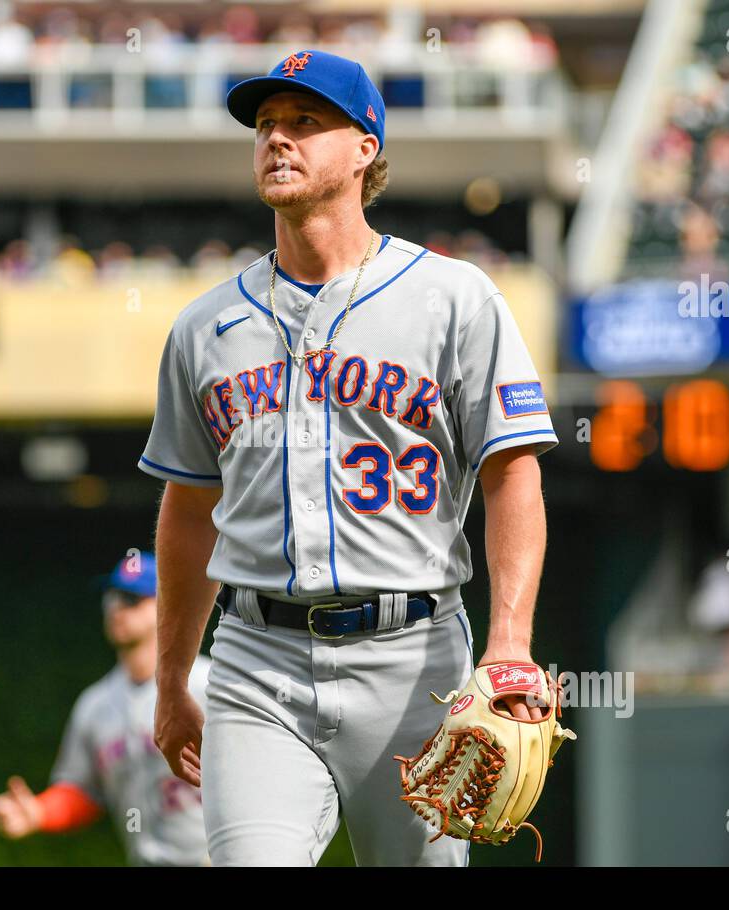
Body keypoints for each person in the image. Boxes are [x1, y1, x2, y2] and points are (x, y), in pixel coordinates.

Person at [138, 50, 559, 866]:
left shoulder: (455, 296)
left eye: (304, 122)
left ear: (365, 148)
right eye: (265, 125)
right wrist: (171, 679)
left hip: (416, 659)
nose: (277, 140)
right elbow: (189, 512)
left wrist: (509, 643)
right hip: (257, 662)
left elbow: (514, 470)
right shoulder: (204, 327)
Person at [0, 552, 211, 866]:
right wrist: (39, 812)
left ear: (167, 604)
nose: (117, 608)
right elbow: (83, 790)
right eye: (111, 598)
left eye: (131, 598)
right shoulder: (94, 705)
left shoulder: (209, 684)